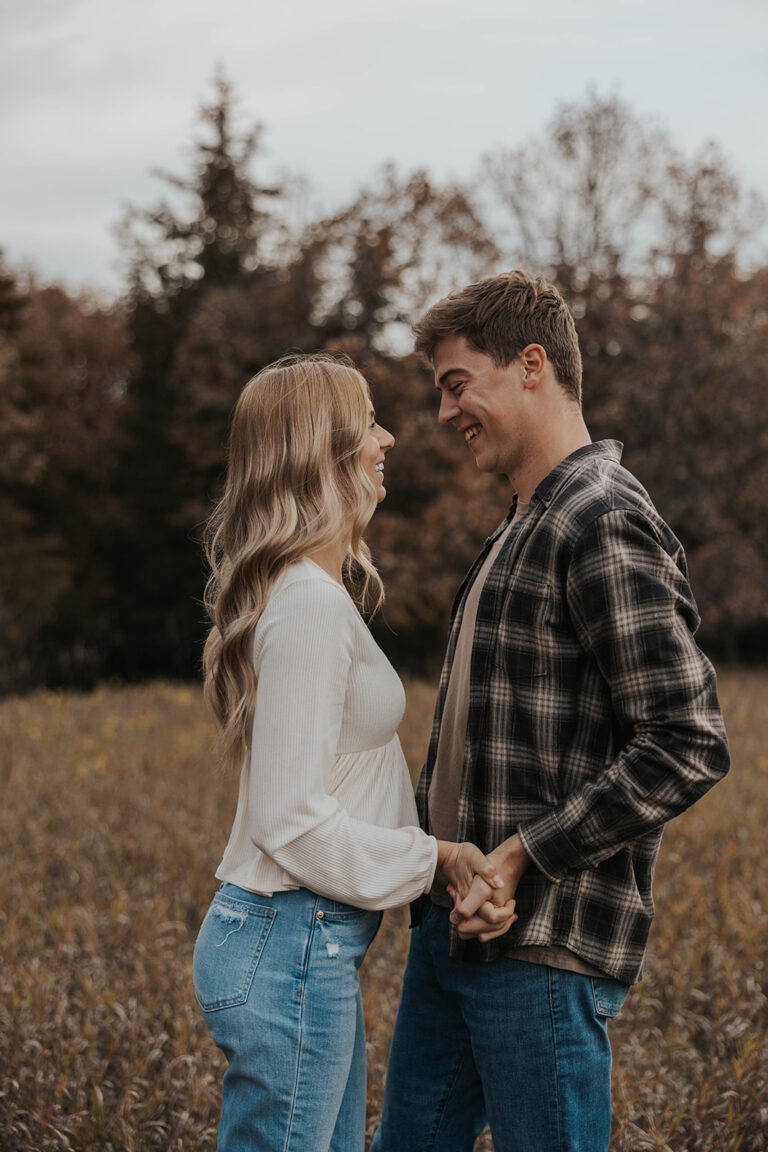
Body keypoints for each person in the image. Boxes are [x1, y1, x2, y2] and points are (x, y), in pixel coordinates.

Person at [371, 272, 730, 1152]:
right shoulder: (517, 526)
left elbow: (687, 741)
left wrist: (526, 854)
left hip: (541, 949)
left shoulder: (599, 516)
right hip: (451, 934)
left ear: (531, 365)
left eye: (458, 384)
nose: (447, 412)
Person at [192, 353, 507, 1152]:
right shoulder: (304, 605)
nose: (388, 439)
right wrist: (430, 857)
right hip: (290, 940)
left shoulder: (315, 596)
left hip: (304, 944)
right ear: (320, 448)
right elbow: (289, 822)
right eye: (369, 422)